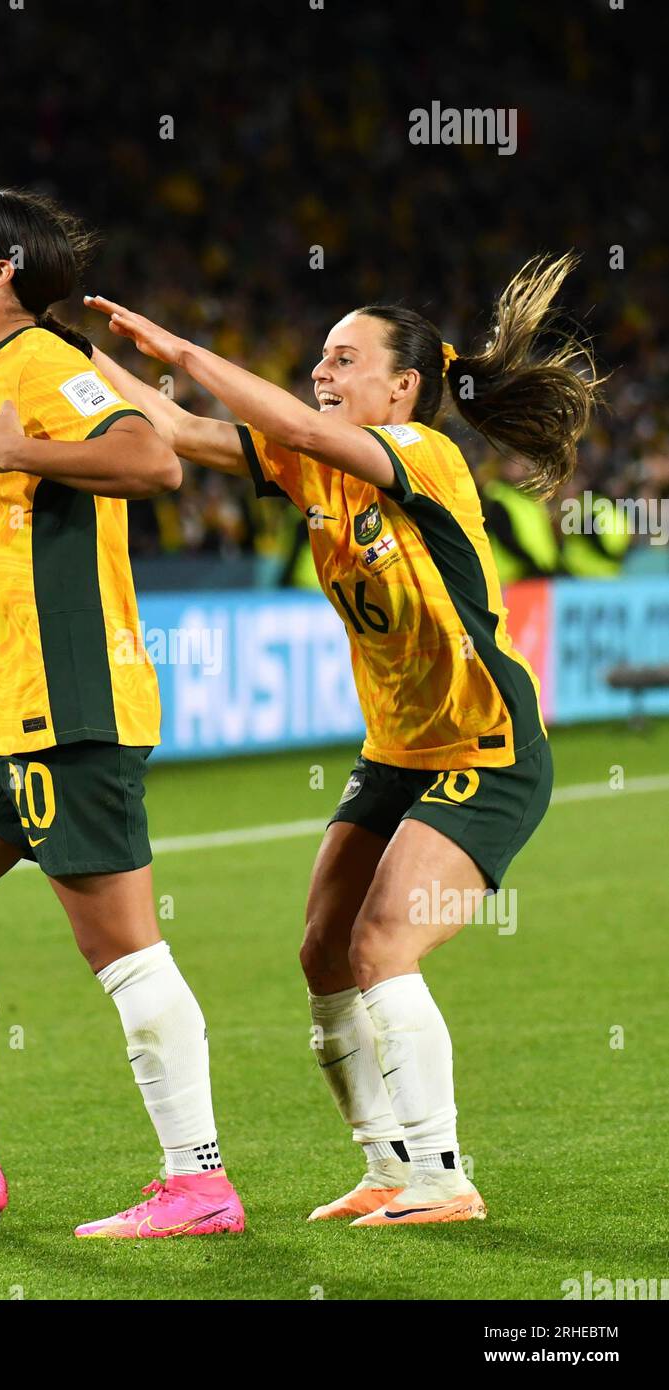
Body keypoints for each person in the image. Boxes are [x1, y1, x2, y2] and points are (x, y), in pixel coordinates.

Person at [80, 253, 601, 1225]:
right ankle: (386, 1163)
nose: (322, 370)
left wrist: (179, 345)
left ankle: (444, 1175)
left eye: (342, 356)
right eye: (319, 357)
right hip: (398, 752)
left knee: (382, 944)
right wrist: (66, 356)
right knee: (324, 947)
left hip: (483, 746)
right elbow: (182, 430)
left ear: (401, 387)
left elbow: (283, 420)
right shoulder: (315, 461)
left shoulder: (423, 455)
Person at [0, 188, 244, 1239]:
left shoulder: (37, 363)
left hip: (67, 705)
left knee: (122, 949)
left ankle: (196, 1180)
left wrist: (24, 453)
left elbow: (152, 459)